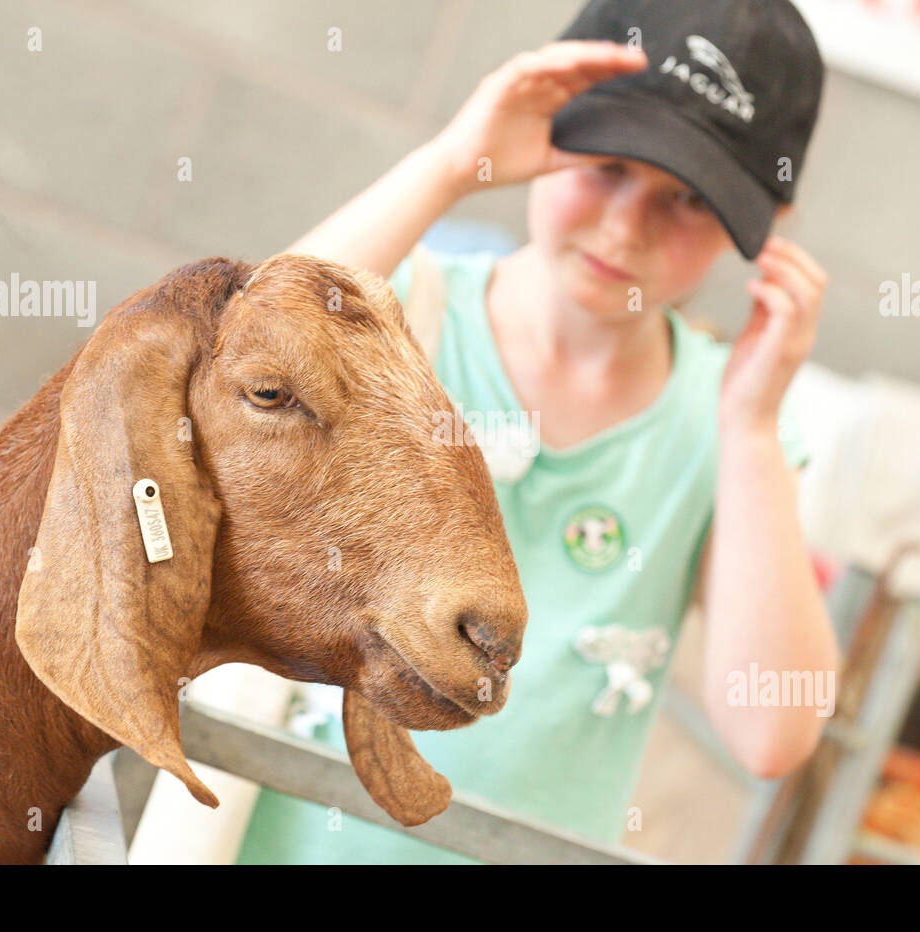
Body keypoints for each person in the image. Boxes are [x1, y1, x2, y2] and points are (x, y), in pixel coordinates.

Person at [236, 0, 840, 863]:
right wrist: (450, 165)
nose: (626, 227)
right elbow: (228, 368)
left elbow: (772, 731)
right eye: (607, 166)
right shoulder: (394, 311)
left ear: (764, 229)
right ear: (544, 124)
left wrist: (750, 430)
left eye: (690, 200)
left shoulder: (729, 422)